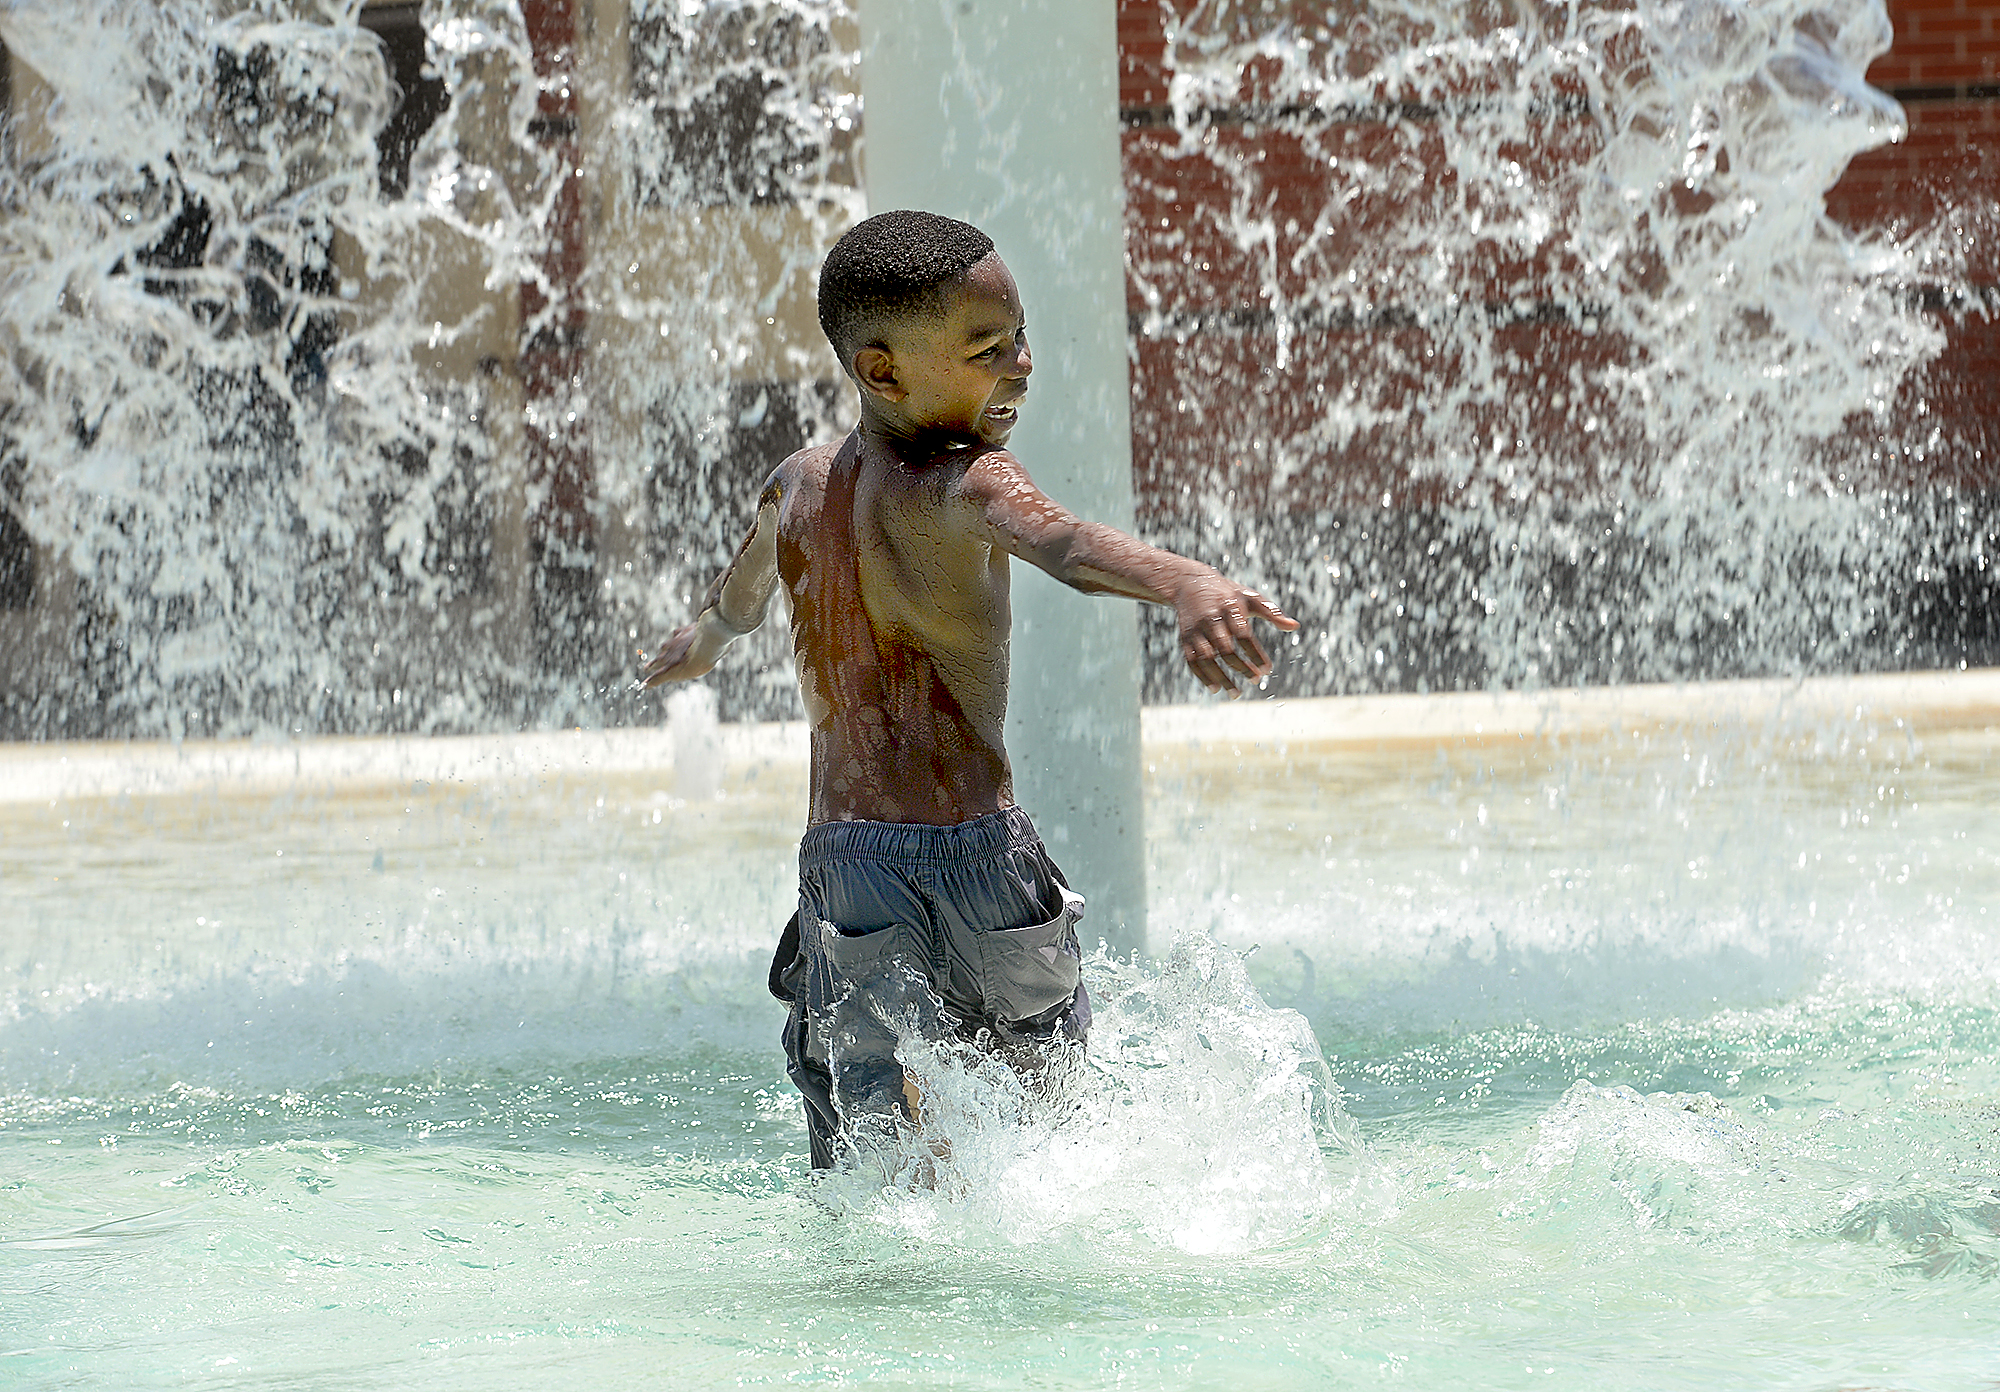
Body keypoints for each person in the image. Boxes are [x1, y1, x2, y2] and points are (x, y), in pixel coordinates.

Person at [638, 209, 1297, 1169]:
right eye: (990, 348)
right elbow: (1066, 545)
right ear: (883, 371)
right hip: (975, 854)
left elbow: (735, 603)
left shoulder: (794, 487)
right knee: (1043, 1118)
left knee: (871, 1132)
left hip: (846, 871)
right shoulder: (966, 482)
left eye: (1019, 336)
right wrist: (1188, 582)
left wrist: (696, 647)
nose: (1022, 364)